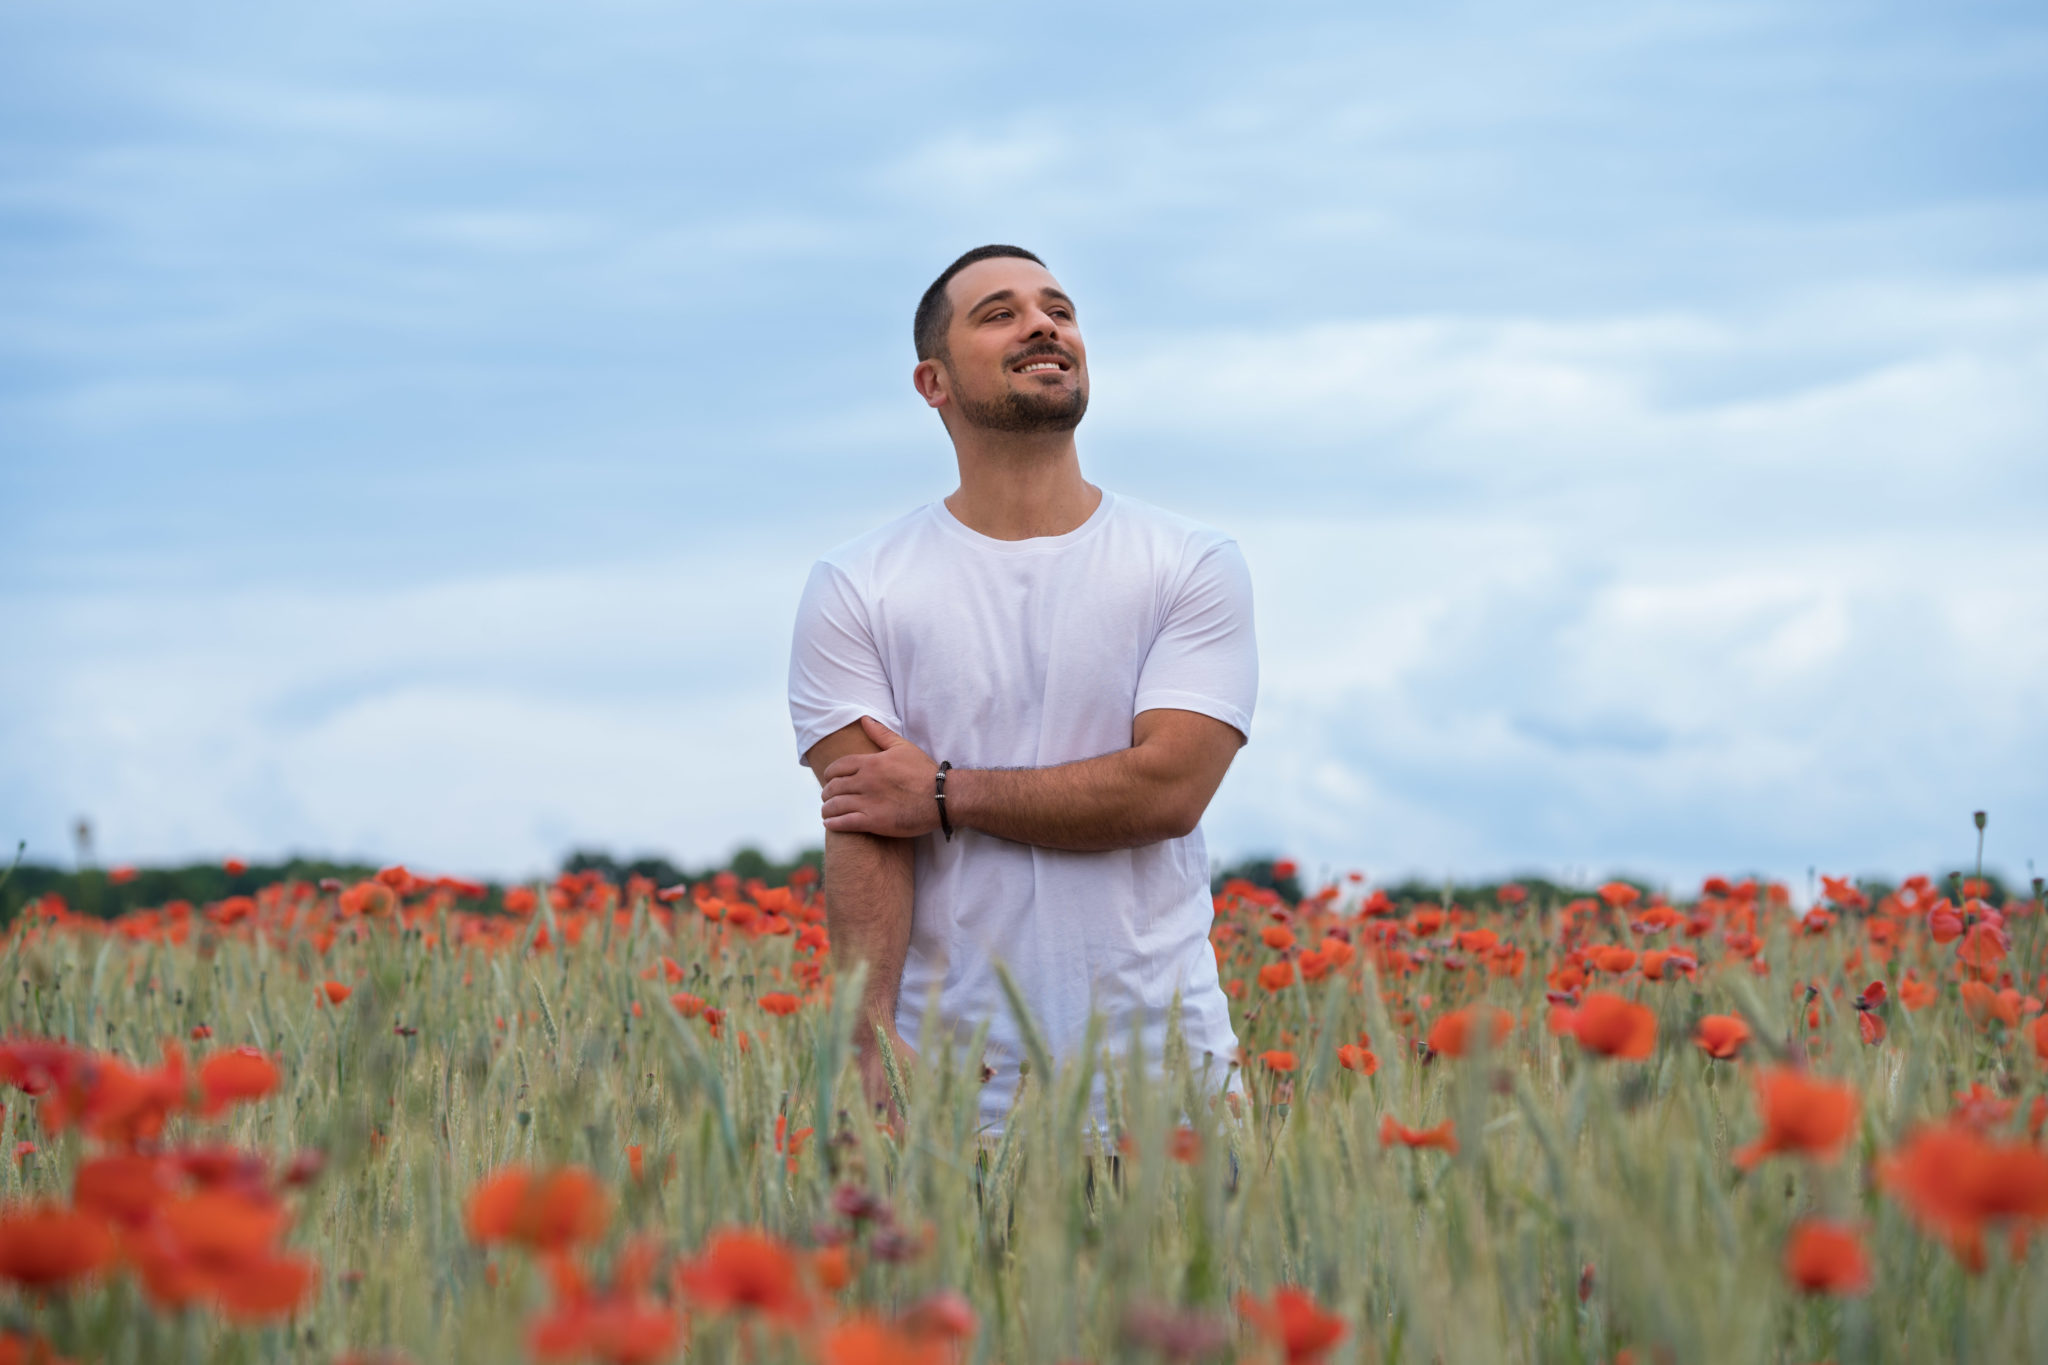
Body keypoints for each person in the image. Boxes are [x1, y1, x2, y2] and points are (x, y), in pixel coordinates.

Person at [787, 244, 1258, 1129]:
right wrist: (866, 1037)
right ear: (933, 383)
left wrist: (940, 792)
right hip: (954, 1093)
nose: (1044, 324)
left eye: (1059, 309)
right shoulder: (859, 585)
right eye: (999, 313)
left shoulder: (1189, 562)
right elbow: (866, 822)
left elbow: (1169, 788)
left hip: (1170, 1092)